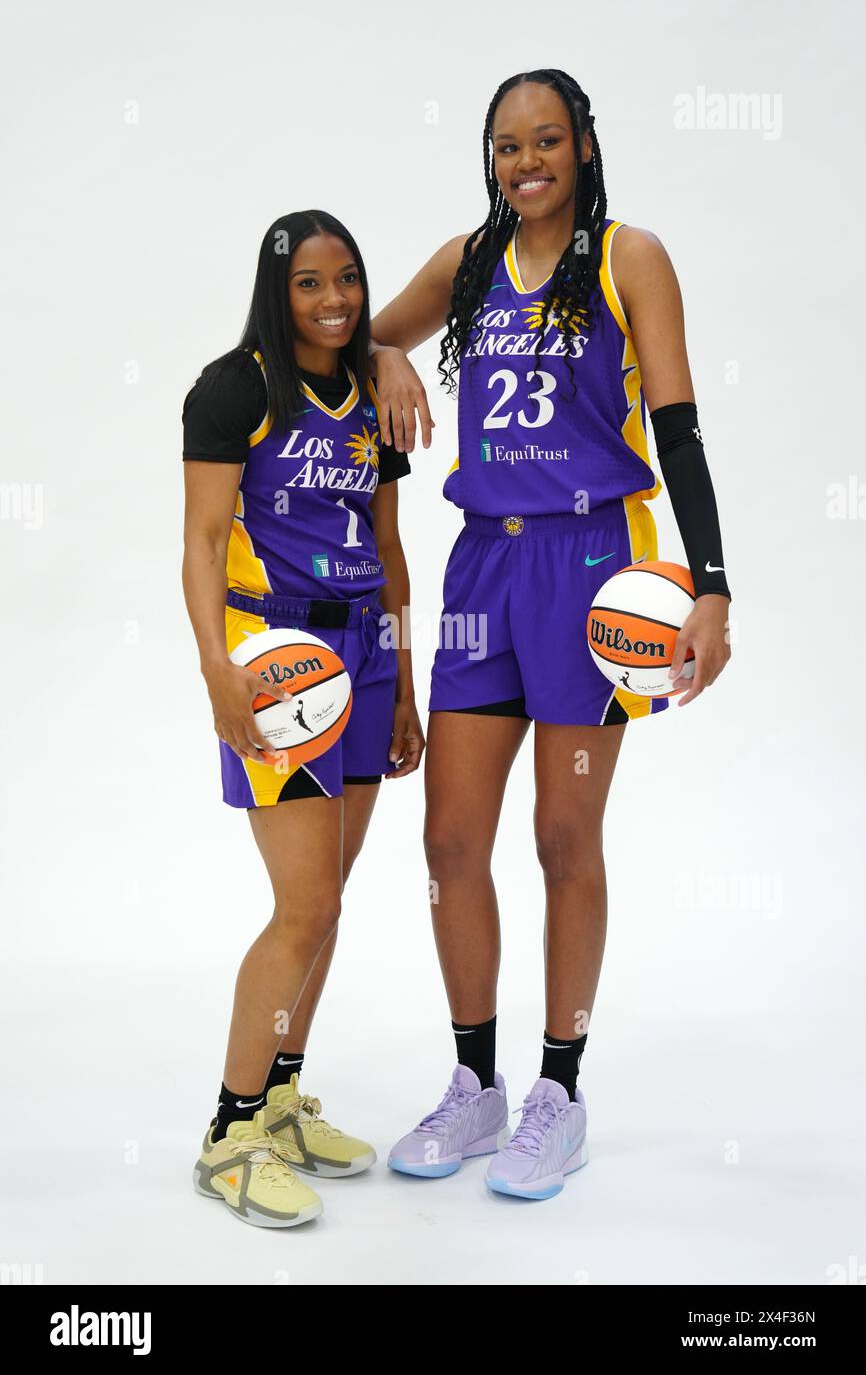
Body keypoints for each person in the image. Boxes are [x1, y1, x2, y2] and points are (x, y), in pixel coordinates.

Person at [368, 69, 732, 1200]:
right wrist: (383, 352)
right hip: (482, 562)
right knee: (446, 842)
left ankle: (557, 1094)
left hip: (588, 569)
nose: (523, 162)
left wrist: (710, 585)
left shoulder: (630, 258)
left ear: (580, 144)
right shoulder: (466, 263)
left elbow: (673, 426)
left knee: (562, 839)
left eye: (543, 141)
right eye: (504, 146)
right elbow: (357, 341)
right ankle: (473, 1082)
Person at [182, 210, 423, 1226]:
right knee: (304, 908)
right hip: (278, 660)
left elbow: (389, 539)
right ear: (275, 292)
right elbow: (199, 541)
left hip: (364, 655)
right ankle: (229, 1135)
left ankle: (279, 1099)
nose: (333, 300)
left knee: (328, 897)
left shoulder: (370, 390)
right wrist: (215, 671)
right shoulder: (235, 386)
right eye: (309, 284)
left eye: (348, 281)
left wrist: (405, 679)